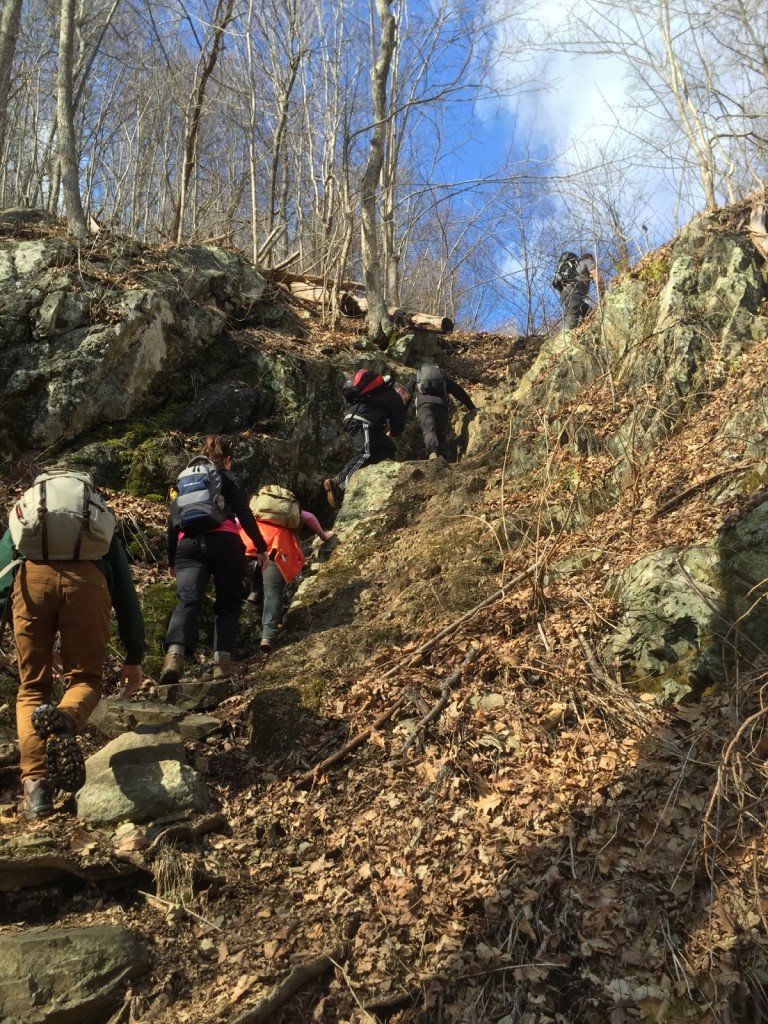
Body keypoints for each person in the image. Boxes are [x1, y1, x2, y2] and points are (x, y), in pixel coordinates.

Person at [0, 479, 145, 820]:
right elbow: (124, 592)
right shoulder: (93, 515)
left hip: (30, 583)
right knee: (85, 680)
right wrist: (134, 655)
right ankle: (64, 719)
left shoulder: (30, 511)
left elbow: (3, 579)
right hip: (88, 585)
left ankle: (36, 791)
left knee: (32, 688)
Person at [160, 435, 268, 685]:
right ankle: (222, 664)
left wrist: (171, 559)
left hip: (188, 545)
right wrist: (260, 547)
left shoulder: (188, 479)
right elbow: (244, 513)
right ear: (227, 459)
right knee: (228, 603)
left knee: (186, 601)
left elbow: (173, 521)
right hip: (225, 543)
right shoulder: (227, 478)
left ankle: (174, 658)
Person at [241, 502, 335, 654]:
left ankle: (255, 591)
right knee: (273, 593)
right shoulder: (289, 510)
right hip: (276, 551)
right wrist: (324, 536)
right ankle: (268, 637)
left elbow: (237, 521)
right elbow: (310, 517)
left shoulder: (256, 508)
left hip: (247, 547)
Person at [323, 369, 407, 508]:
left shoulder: (377, 393)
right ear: (400, 392)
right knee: (365, 453)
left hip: (359, 419)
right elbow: (398, 424)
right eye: (405, 399)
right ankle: (339, 482)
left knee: (387, 448)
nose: (404, 402)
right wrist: (393, 432)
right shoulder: (394, 396)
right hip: (363, 420)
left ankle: (372, 482)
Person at [404, 362, 476, 461]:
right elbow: (458, 391)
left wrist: (402, 413)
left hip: (424, 405)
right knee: (440, 432)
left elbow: (406, 394)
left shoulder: (418, 375)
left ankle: (432, 454)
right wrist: (471, 407)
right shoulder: (441, 375)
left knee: (429, 429)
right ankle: (442, 457)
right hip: (441, 404)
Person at [553, 251, 604, 330]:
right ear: (590, 258)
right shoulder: (587, 262)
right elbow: (597, 277)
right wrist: (603, 293)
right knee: (574, 317)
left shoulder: (576, 267)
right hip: (573, 292)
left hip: (565, 294)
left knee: (589, 313)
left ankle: (579, 336)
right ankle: (565, 339)